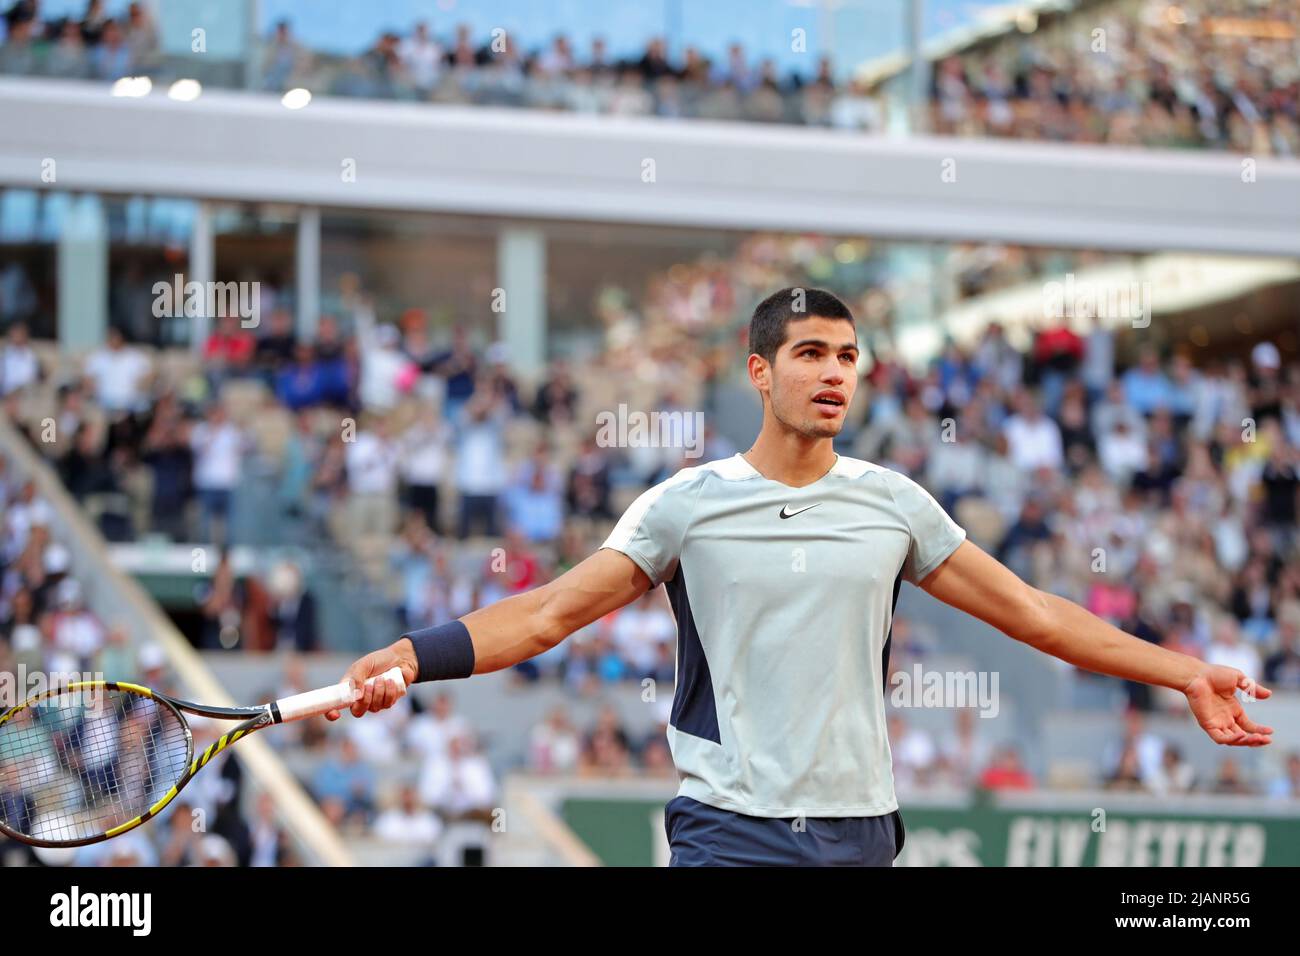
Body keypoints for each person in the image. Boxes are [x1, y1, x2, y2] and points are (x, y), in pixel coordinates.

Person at [331, 288, 1274, 867]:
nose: (835, 374)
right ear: (759, 370)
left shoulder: (895, 505)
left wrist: (1182, 670)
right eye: (811, 354)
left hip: (861, 831)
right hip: (730, 830)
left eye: (849, 358)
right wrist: (415, 655)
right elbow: (544, 616)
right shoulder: (685, 505)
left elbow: (1034, 615)